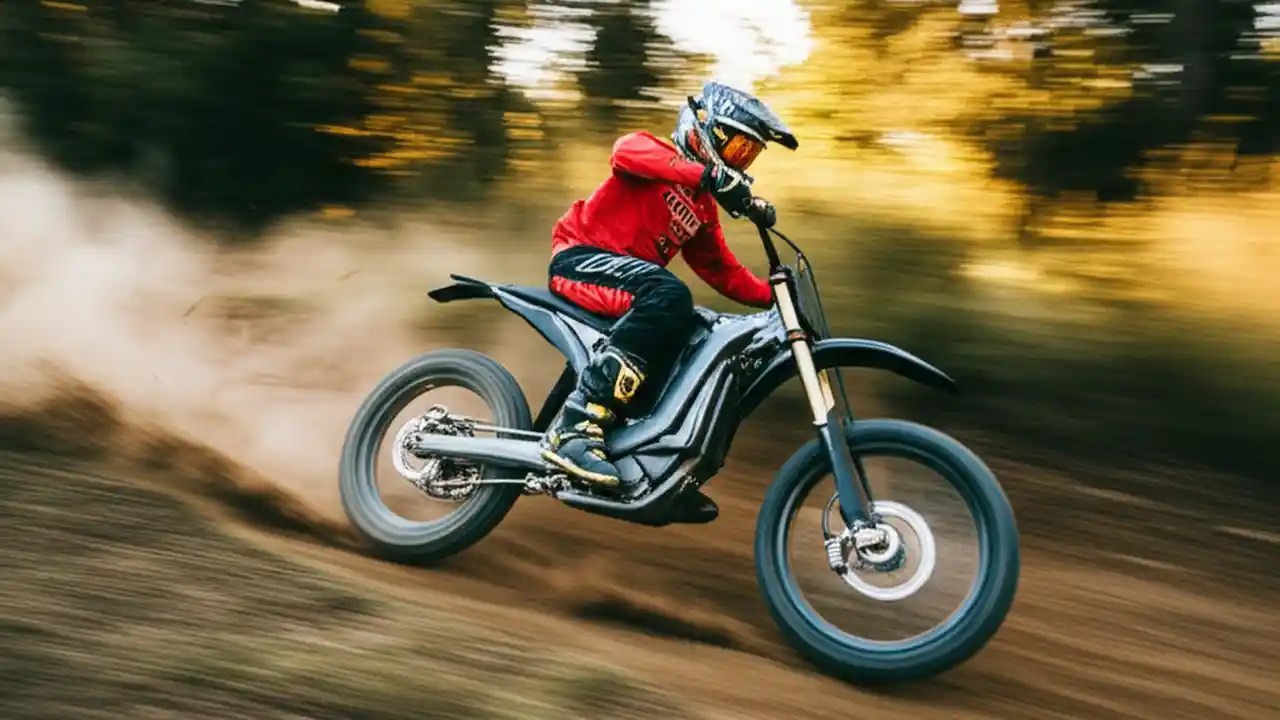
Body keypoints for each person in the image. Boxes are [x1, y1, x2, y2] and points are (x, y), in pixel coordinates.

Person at [539, 80, 799, 499]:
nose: (742, 160)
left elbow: (721, 270)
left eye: (749, 154)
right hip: (579, 258)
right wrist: (708, 174)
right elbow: (624, 151)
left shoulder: (701, 207)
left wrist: (777, 296)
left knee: (699, 328)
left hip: (629, 286)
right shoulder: (654, 152)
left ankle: (648, 450)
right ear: (707, 132)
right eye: (737, 148)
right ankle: (572, 428)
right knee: (670, 295)